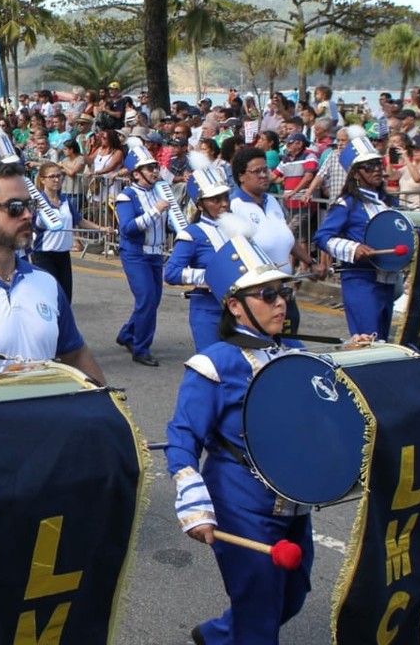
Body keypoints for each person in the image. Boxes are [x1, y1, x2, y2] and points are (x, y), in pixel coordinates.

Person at [165, 234, 318, 645]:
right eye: (267, 295)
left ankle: (217, 635)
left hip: (295, 499)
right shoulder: (215, 362)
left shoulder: (297, 350)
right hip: (240, 502)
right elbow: (182, 436)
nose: (281, 302)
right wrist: (193, 503)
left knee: (291, 596)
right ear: (234, 305)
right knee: (259, 613)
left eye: (283, 292)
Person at [0, 159, 105, 382]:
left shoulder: (47, 283)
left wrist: (108, 406)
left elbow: (74, 352)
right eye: (14, 208)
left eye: (30, 205)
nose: (28, 215)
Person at [229, 146, 321, 336]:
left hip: (284, 292)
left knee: (289, 344)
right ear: (241, 177)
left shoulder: (271, 201)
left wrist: (310, 262)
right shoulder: (233, 207)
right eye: (257, 171)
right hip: (259, 297)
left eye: (266, 170)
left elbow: (286, 237)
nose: (264, 175)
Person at [314, 135, 399, 339]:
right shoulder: (347, 203)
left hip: (387, 281)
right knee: (366, 341)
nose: (377, 169)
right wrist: (353, 248)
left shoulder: (389, 202)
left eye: (378, 163)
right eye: (369, 166)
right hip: (360, 280)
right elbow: (322, 236)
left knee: (383, 342)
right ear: (356, 174)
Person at [164, 167, 233, 351]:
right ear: (201, 205)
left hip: (240, 311)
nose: (224, 204)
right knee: (210, 366)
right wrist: (212, 277)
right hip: (208, 311)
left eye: (226, 197)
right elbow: (171, 273)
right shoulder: (192, 234)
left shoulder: (238, 228)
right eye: (216, 200)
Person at [114, 141, 169, 366]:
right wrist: (156, 211)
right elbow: (127, 228)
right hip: (136, 254)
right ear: (136, 174)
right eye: (149, 168)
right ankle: (141, 348)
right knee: (147, 299)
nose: (155, 171)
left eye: (155, 167)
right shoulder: (126, 197)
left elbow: (170, 224)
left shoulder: (160, 192)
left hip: (156, 253)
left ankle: (128, 334)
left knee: (153, 300)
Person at [30, 161, 104, 302]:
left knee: (65, 298)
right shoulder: (36, 201)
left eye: (59, 176)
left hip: (63, 254)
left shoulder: (65, 200)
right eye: (52, 177)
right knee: (50, 297)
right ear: (42, 179)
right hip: (44, 254)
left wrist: (101, 229)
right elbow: (31, 225)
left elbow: (79, 220)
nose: (57, 179)